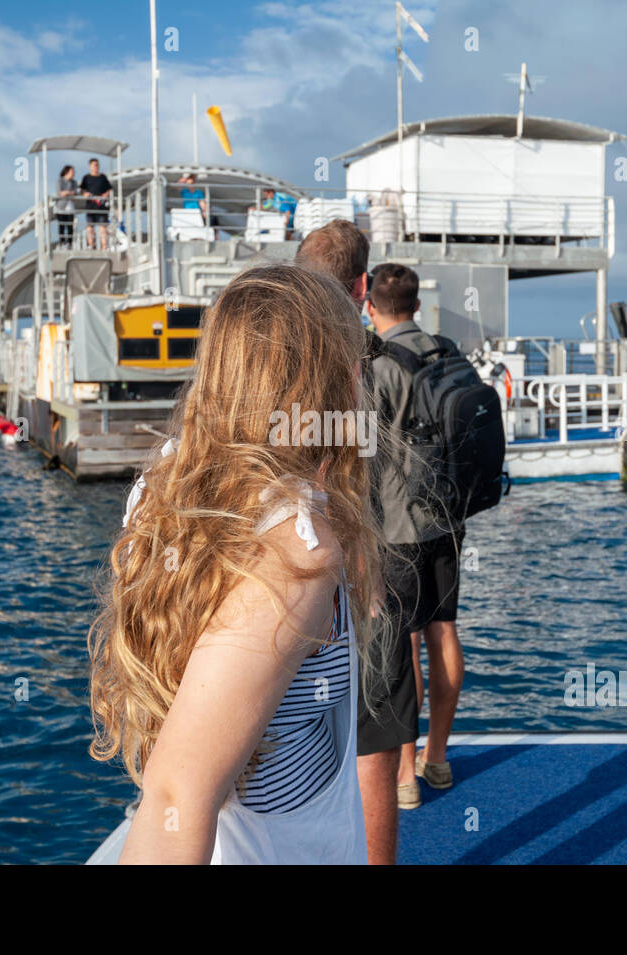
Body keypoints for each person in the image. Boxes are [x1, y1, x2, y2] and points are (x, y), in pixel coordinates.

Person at [88, 263, 386, 864]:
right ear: (335, 379)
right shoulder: (296, 553)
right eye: (356, 357)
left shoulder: (166, 487)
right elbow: (181, 789)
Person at [296, 219, 420, 865]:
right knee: (374, 744)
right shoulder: (374, 364)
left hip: (282, 582)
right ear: (362, 285)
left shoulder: (274, 359)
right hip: (366, 580)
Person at [363, 263, 465, 807]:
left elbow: (361, 452)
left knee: (401, 644)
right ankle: (439, 758)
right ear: (418, 305)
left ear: (370, 306)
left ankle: (404, 775)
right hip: (448, 519)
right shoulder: (447, 352)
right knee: (443, 632)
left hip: (397, 528)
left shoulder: (377, 365)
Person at [80, 158, 113, 250]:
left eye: (98, 165)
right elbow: (82, 190)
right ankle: (91, 245)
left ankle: (105, 246)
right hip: (90, 206)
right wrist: (85, 194)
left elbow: (109, 188)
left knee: (103, 227)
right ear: (90, 166)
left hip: (102, 206)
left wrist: (105, 195)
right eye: (95, 165)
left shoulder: (103, 177)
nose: (97, 167)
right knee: (90, 226)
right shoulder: (86, 178)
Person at [55, 164, 77, 248]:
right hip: (60, 207)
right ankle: (62, 242)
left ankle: (69, 243)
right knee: (62, 225)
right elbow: (59, 193)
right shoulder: (60, 181)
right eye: (72, 171)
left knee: (70, 226)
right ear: (66, 172)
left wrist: (66, 192)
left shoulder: (74, 182)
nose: (73, 173)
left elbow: (76, 192)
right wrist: (69, 192)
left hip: (70, 207)